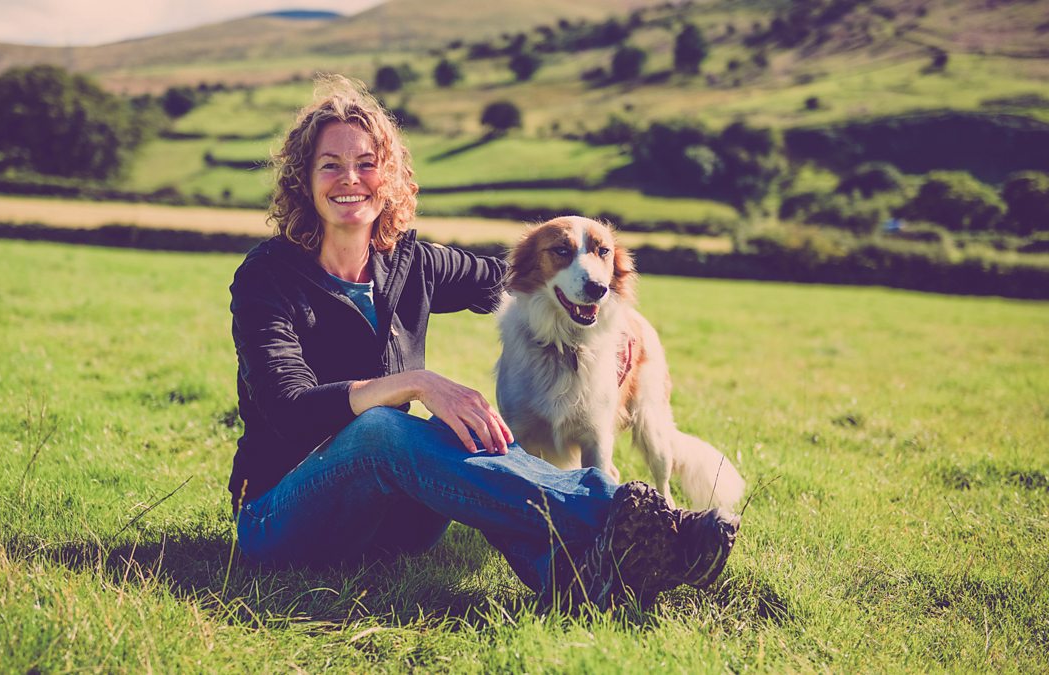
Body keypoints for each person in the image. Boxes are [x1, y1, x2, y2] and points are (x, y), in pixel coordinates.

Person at [227, 75, 739, 606]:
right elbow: (288, 408)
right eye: (329, 164)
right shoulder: (268, 277)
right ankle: (634, 520)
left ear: (390, 178)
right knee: (386, 425)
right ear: (304, 181)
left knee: (464, 429)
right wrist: (417, 384)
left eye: (366, 163)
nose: (349, 178)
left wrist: (606, 321)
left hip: (392, 528)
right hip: (280, 519)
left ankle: (579, 575)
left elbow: (523, 277)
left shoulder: (411, 262)